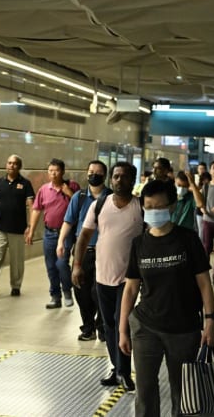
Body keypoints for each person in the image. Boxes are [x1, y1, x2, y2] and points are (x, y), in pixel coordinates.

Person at [118, 179, 214, 417]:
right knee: (145, 392)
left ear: (172, 206)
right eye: (149, 207)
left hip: (184, 329)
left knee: (183, 394)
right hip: (145, 326)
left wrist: (210, 321)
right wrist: (122, 329)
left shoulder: (188, 239)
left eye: (160, 207)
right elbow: (131, 289)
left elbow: (204, 282)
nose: (153, 211)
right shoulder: (139, 243)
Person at [73, 161, 143, 391]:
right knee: (109, 325)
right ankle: (117, 368)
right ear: (111, 179)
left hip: (128, 279)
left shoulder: (140, 207)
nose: (119, 180)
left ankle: (124, 371)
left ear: (132, 180)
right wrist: (77, 265)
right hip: (102, 275)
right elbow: (84, 237)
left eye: (124, 176)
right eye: (116, 176)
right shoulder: (100, 205)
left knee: (122, 322)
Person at [59, 160, 112, 341]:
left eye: (98, 172)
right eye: (90, 171)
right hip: (83, 252)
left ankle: (102, 326)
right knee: (81, 291)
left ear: (104, 175)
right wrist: (60, 242)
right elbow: (69, 221)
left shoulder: (111, 197)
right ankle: (88, 327)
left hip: (105, 252)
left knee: (100, 291)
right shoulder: (79, 197)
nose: (93, 175)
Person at [26, 158, 80, 309]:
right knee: (51, 266)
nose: (53, 174)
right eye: (50, 171)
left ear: (63, 172)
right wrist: (31, 230)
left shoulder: (73, 186)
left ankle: (67, 291)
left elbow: (81, 206)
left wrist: (69, 193)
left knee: (61, 263)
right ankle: (55, 297)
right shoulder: (44, 190)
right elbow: (36, 210)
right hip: (49, 233)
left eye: (56, 171)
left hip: (67, 233)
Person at [0, 154, 35, 298]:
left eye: (14, 163)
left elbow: (31, 206)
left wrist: (30, 226)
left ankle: (16, 286)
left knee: (17, 260)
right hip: (0, 227)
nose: (11, 165)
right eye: (9, 163)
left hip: (18, 229)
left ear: (19, 166)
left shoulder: (25, 184)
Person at [194, 171, 212, 241]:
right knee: (201, 230)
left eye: (207, 179)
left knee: (207, 230)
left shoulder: (212, 187)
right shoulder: (199, 189)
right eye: (204, 179)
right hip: (200, 211)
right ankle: (201, 244)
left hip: (209, 211)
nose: (205, 181)